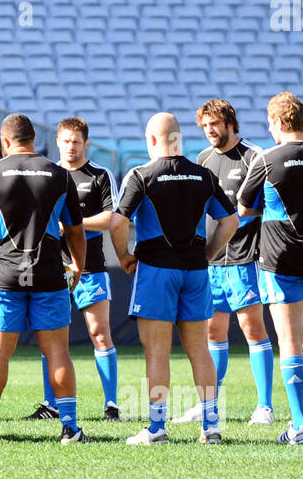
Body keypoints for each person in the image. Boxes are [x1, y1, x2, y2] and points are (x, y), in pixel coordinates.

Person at [0, 114, 88, 444]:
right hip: (49, 276)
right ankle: (70, 429)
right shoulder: (59, 175)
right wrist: (78, 266)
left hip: (2, 276)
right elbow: (76, 231)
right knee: (57, 353)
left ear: (5, 142)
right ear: (35, 138)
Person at [112, 113, 238, 444]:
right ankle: (210, 426)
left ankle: (156, 428)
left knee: (157, 351)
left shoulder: (141, 175)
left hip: (156, 271)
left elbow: (117, 223)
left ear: (153, 140)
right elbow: (230, 220)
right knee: (199, 348)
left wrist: (124, 255)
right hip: (195, 271)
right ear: (179, 139)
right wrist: (208, 254)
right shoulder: (204, 175)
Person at [236, 93, 303, 445]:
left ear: (278, 122)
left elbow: (244, 208)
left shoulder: (268, 158)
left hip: (281, 259)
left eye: (269, 123)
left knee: (290, 341)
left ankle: (298, 425)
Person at [187, 99, 276, 425]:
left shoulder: (256, 156)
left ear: (229, 123)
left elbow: (263, 209)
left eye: (214, 124)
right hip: (211, 260)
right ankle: (209, 403)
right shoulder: (203, 159)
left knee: (253, 327)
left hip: (244, 257)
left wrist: (235, 223)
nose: (210, 131)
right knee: (213, 328)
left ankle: (264, 406)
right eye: (205, 126)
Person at [53, 116, 122, 421]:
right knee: (52, 337)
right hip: (52, 269)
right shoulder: (49, 175)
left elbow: (112, 218)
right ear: (58, 141)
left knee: (100, 333)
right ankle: (51, 404)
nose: (71, 147)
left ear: (86, 144)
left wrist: (73, 226)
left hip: (91, 267)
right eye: (66, 141)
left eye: (76, 142)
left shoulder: (99, 175)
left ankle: (112, 405)